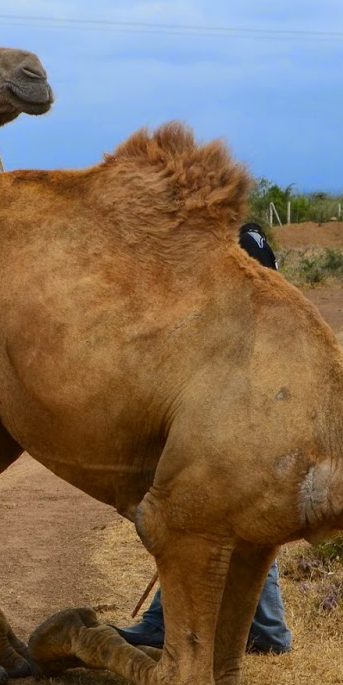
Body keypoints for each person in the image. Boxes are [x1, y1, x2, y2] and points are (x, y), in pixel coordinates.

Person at [114, 221, 294, 655]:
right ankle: (250, 630)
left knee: (221, 522)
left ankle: (263, 633)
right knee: (212, 522)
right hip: (246, 423)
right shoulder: (249, 256)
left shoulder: (245, 267)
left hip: (249, 429)